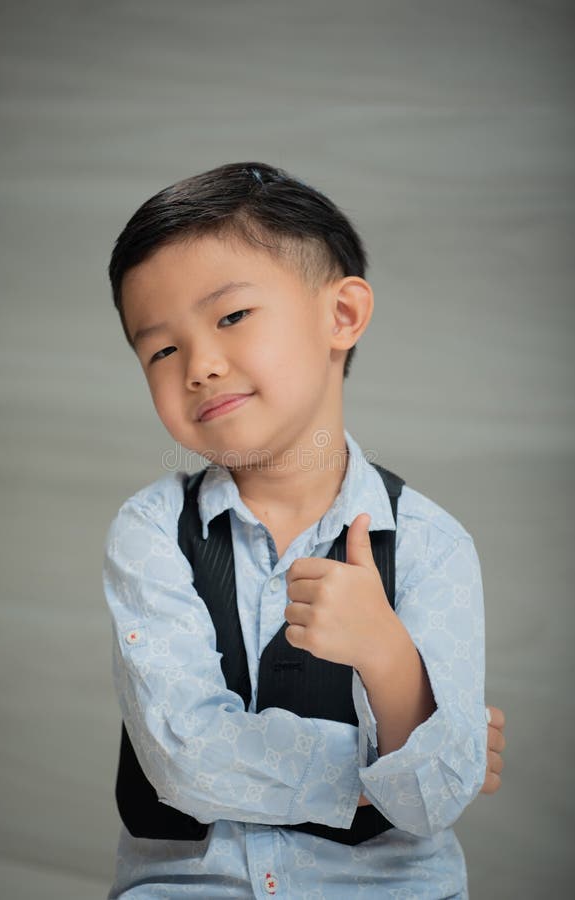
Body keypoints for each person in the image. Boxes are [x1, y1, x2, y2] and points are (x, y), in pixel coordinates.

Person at [102, 161, 506, 899]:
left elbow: (435, 801)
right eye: (161, 349)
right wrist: (414, 755)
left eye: (231, 317)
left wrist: (388, 656)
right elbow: (187, 755)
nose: (199, 366)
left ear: (341, 315)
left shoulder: (430, 542)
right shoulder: (152, 531)